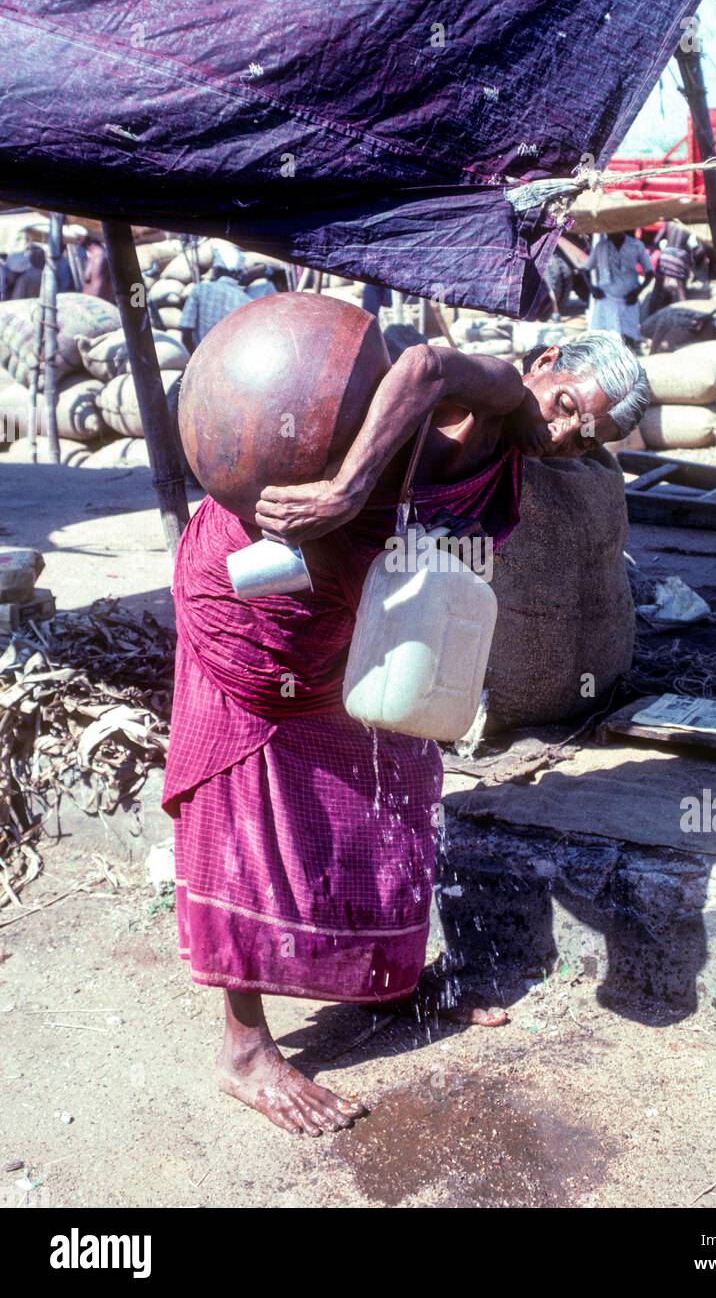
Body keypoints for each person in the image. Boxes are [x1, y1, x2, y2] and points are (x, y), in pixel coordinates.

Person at [162, 322, 649, 1138]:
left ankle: (386, 979)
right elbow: (422, 364)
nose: (562, 430)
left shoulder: (521, 448)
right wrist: (349, 490)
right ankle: (243, 1046)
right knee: (251, 807)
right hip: (259, 606)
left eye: (585, 433)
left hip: (346, 630)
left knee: (394, 789)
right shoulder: (493, 385)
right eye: (565, 403)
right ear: (541, 366)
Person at [587, 230, 653, 348]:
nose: (610, 234)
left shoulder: (636, 245)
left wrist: (637, 291)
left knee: (629, 336)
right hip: (606, 298)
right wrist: (592, 289)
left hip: (628, 298)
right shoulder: (601, 246)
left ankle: (629, 361)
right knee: (604, 337)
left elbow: (650, 272)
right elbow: (585, 269)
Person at [179, 244, 250, 352]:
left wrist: (193, 357)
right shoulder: (247, 302)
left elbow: (186, 329)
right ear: (239, 274)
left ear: (216, 270)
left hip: (199, 358)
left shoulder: (200, 289)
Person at [647, 222, 701, 315]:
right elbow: (697, 249)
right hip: (681, 256)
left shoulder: (669, 223)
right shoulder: (690, 224)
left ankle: (650, 317)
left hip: (666, 254)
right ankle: (686, 315)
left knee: (657, 289)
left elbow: (656, 240)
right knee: (681, 291)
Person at [82, 235, 114, 302]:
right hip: (94, 300)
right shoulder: (95, 255)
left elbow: (98, 282)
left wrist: (92, 302)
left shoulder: (98, 257)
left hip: (94, 301)